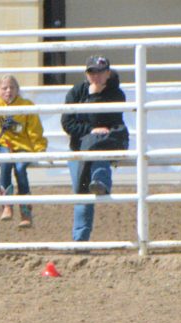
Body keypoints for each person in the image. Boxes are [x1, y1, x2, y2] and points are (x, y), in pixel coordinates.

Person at [60, 55, 129, 242]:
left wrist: (95, 134)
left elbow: (113, 123)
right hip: (80, 149)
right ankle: (80, 240)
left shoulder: (116, 94)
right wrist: (91, 130)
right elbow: (67, 123)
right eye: (92, 72)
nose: (96, 76)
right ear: (86, 74)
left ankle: (100, 182)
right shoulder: (77, 92)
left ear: (108, 73)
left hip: (100, 147)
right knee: (82, 194)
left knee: (96, 160)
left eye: (100, 72)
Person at [0, 74, 47, 228]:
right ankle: (7, 205)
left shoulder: (26, 105)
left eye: (12, 87)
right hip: (3, 145)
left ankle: (25, 211)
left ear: (17, 90)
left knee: (20, 169)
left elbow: (35, 130)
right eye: (4, 88)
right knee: (5, 162)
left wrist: (39, 148)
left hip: (23, 147)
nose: (8, 91)